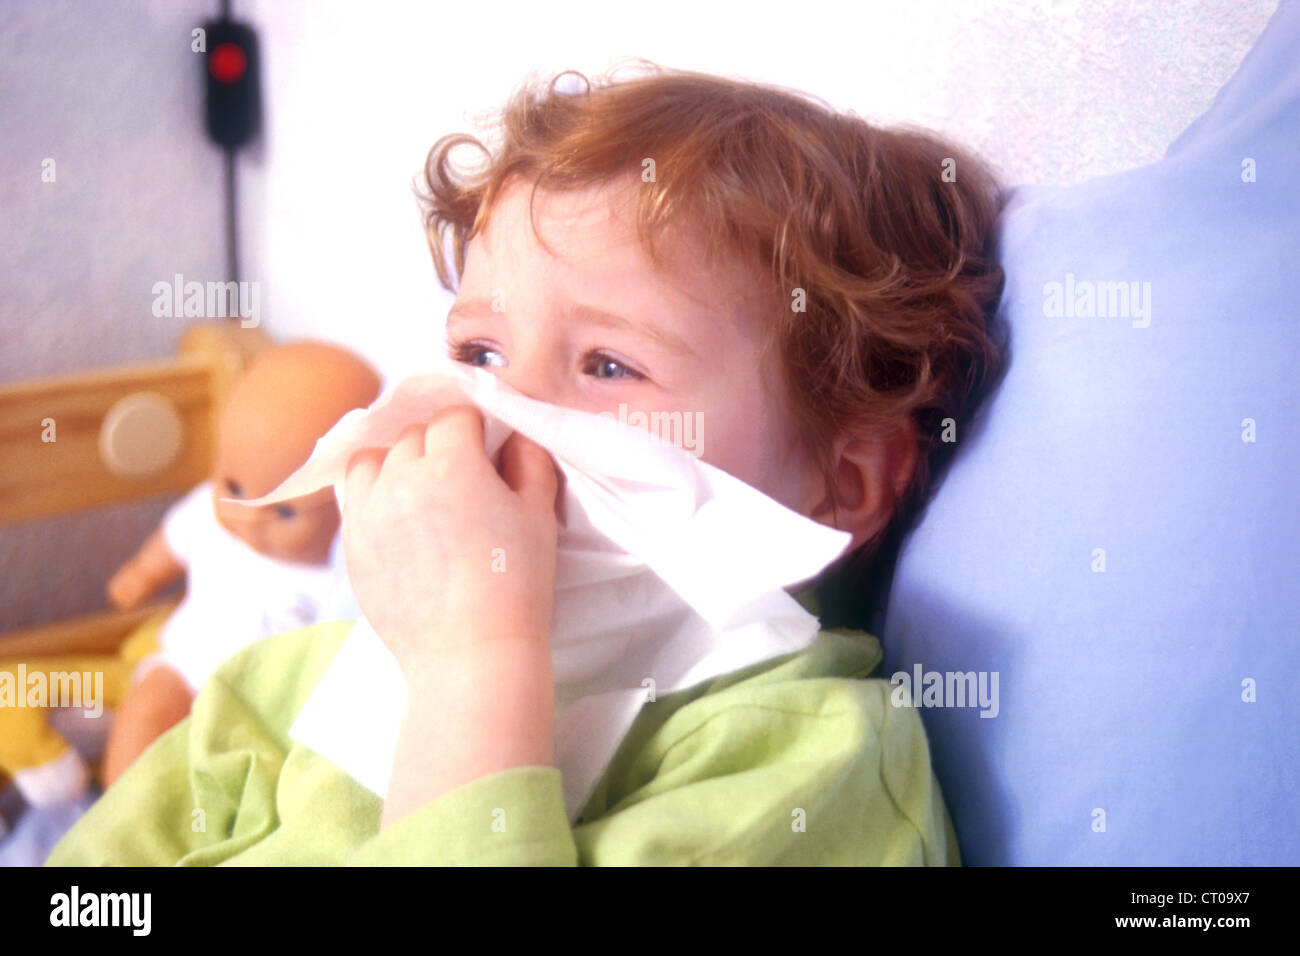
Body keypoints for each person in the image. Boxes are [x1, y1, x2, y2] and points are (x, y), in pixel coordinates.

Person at [48, 63, 1004, 865]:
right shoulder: (303, 679)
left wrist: (473, 663)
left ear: (843, 483)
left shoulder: (806, 761)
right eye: (480, 355)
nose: (503, 414)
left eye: (609, 365)